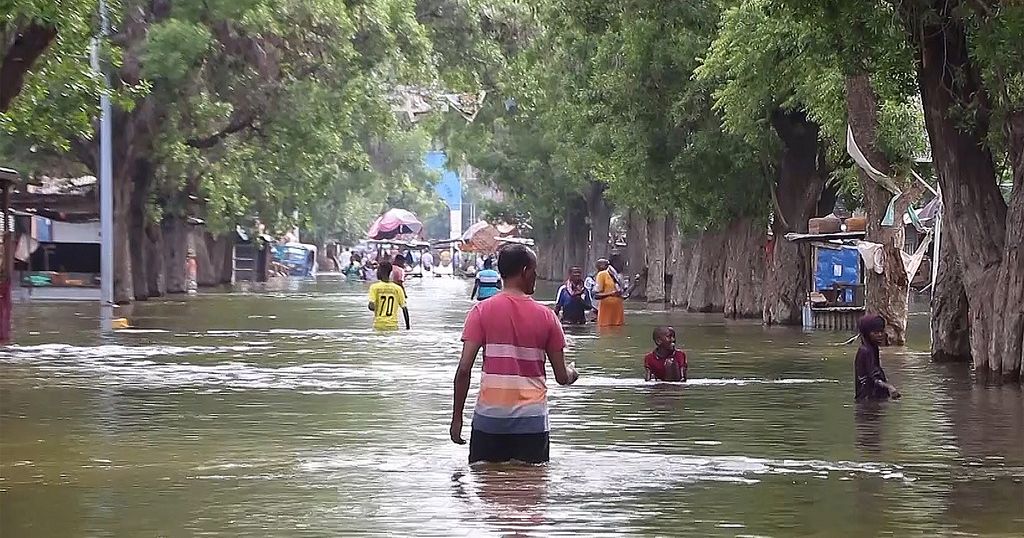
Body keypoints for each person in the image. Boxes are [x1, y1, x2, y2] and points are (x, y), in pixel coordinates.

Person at [450, 244, 579, 464]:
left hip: (490, 421)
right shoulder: (547, 317)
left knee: (486, 482)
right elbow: (561, 376)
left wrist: (457, 419)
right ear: (525, 271)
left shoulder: (480, 311)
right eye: (534, 270)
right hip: (532, 423)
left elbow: (464, 369)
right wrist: (572, 373)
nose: (536, 276)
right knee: (530, 482)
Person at [855, 314, 901, 401]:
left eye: (881, 331)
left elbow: (876, 373)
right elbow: (871, 378)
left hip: (874, 397)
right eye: (875, 333)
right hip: (867, 400)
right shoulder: (865, 351)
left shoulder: (873, 348)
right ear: (867, 333)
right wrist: (889, 387)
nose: (880, 335)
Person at [368, 262, 410, 330]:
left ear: (380, 272)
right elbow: (404, 309)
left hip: (379, 325)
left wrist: (373, 305)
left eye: (378, 270)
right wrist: (408, 327)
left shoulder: (374, 287)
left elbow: (371, 307)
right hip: (393, 325)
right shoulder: (397, 288)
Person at [593, 258, 625, 327]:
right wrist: (611, 294)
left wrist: (634, 285)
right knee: (606, 328)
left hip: (617, 307)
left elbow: (623, 294)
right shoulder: (602, 274)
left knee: (617, 329)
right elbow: (596, 295)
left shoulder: (616, 275)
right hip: (607, 309)